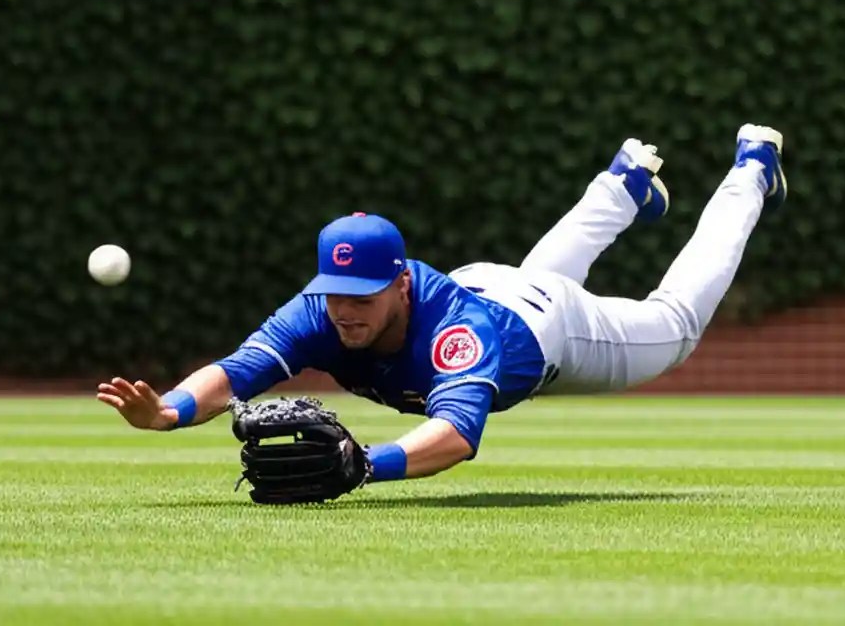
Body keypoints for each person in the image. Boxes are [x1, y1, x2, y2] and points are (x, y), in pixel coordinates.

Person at [96, 124, 788, 484]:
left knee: (675, 325)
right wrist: (169, 411)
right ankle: (623, 186)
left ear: (400, 285)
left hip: (548, 327)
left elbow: (456, 436)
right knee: (531, 276)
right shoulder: (321, 308)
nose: (344, 310)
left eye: (361, 296)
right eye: (334, 294)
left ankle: (751, 170)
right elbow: (235, 372)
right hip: (494, 285)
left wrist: (364, 464)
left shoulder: (456, 335)